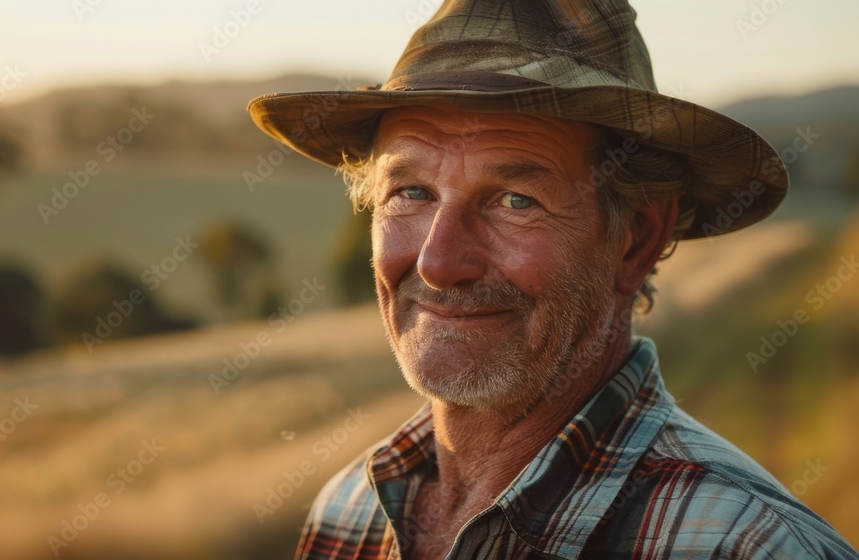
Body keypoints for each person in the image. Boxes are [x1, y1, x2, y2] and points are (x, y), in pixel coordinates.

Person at [248, 0, 859, 558]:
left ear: (636, 241)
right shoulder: (347, 513)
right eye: (410, 192)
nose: (437, 262)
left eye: (515, 200)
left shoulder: (752, 547)